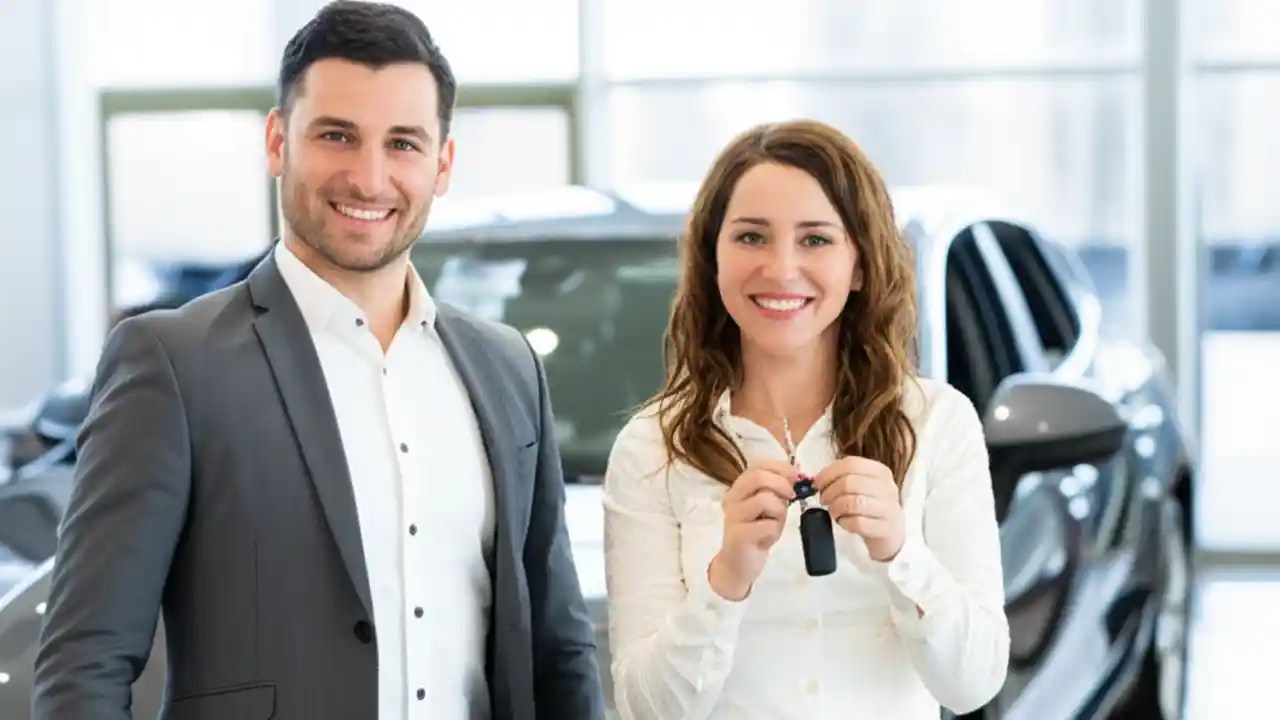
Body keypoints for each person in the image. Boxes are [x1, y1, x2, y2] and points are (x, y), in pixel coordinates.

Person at [32, 2, 603, 719]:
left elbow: (559, 650)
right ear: (278, 142)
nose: (369, 179)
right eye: (337, 135)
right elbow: (85, 664)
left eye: (403, 143)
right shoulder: (173, 365)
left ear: (443, 163)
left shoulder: (507, 368)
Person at [601, 119, 1010, 719]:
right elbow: (646, 709)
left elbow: (973, 683)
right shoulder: (652, 449)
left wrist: (901, 552)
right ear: (712, 260)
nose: (781, 268)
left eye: (815, 239)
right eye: (750, 238)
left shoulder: (937, 423)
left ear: (861, 264)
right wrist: (726, 578)